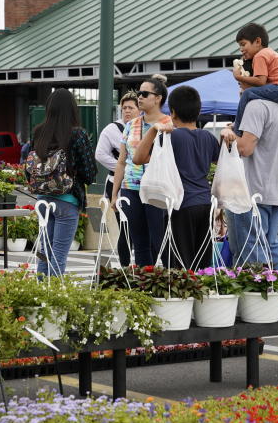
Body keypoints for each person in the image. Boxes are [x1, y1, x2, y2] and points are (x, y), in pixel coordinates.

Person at [132, 86, 218, 269]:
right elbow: (222, 162)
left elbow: (138, 158)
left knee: (179, 264)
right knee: (202, 264)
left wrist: (154, 130)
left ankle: (184, 297)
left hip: (180, 205)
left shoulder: (172, 137)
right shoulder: (208, 137)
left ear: (172, 112)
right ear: (198, 111)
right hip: (205, 203)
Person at [219, 83, 278, 271]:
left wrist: (227, 133)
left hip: (249, 188)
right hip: (275, 186)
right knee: (271, 243)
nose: (239, 87)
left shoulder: (256, 105)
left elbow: (245, 148)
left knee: (249, 246)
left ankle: (260, 291)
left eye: (241, 81)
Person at [25, 88, 97, 276]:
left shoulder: (39, 132)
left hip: (43, 199)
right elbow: (90, 173)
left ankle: (41, 290)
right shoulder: (78, 134)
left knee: (44, 250)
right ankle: (54, 295)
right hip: (67, 200)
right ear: (73, 109)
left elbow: (30, 166)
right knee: (59, 252)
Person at [110, 76, 172, 267]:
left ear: (158, 98)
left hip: (157, 189)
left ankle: (167, 283)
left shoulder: (169, 124)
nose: (139, 97)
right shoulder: (131, 125)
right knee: (139, 241)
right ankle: (146, 283)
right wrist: (115, 194)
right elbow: (121, 162)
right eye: (139, 93)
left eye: (145, 94)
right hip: (131, 188)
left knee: (159, 240)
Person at [231, 22, 278, 136]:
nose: (241, 49)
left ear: (257, 41)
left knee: (247, 93)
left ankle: (237, 130)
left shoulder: (260, 55)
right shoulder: (269, 52)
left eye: (243, 44)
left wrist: (238, 76)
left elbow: (260, 81)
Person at [95, 92, 139, 264]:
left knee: (141, 228)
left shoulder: (145, 127)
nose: (127, 111)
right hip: (117, 183)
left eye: (131, 108)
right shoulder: (113, 129)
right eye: (124, 108)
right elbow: (100, 154)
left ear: (139, 110)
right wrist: (123, 168)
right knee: (125, 228)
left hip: (141, 184)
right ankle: (125, 265)